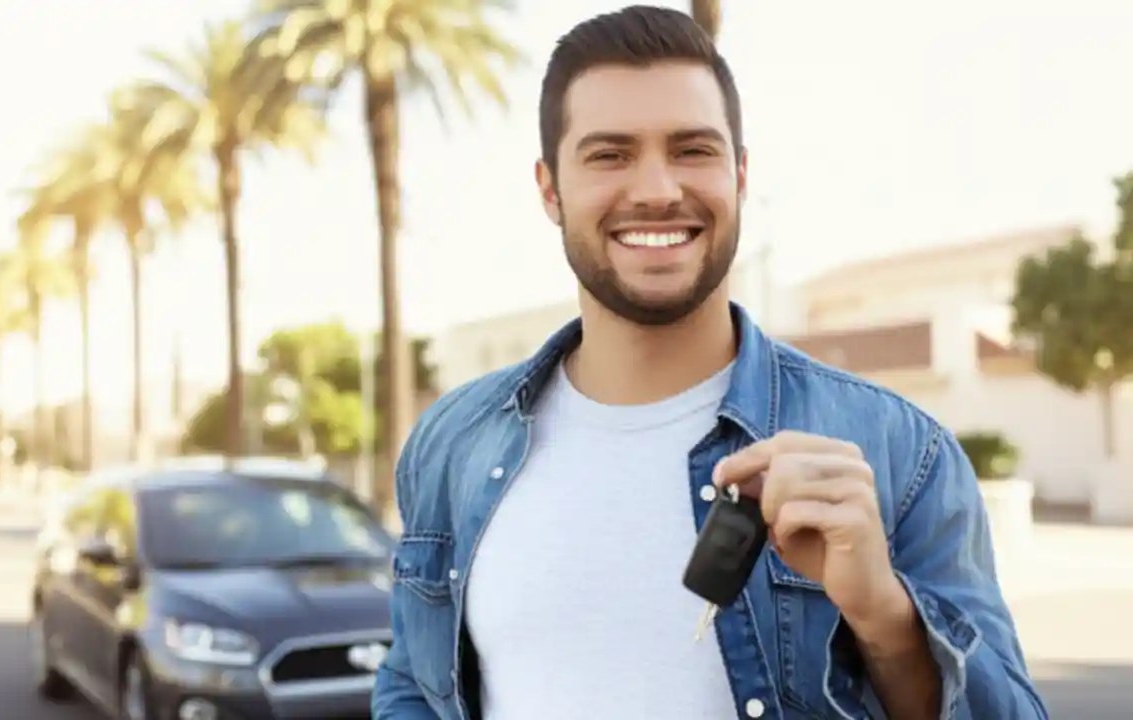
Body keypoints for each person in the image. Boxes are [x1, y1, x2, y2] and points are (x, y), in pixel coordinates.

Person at [372, 4, 1048, 719]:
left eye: (693, 150)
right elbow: (412, 683)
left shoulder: (899, 455)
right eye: (610, 154)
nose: (659, 189)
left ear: (741, 175)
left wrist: (886, 618)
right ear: (550, 189)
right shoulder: (452, 445)